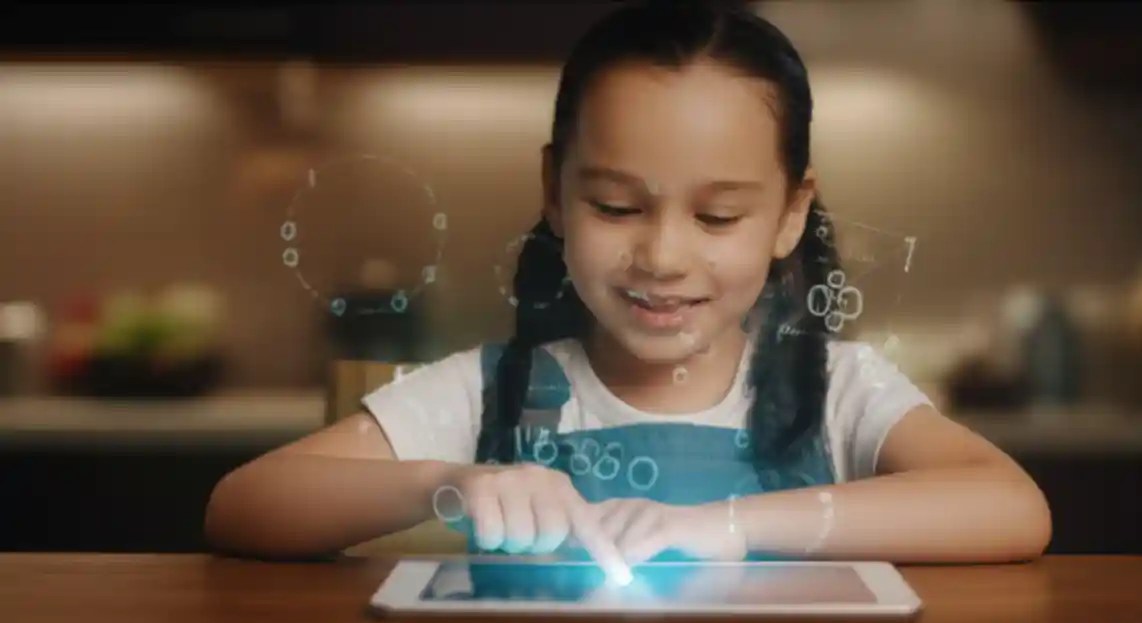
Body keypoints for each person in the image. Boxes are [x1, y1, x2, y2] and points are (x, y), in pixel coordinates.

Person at [204, 0, 1051, 582]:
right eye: (616, 206)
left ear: (791, 214)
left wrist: (728, 527)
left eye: (718, 217)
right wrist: (446, 484)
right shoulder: (497, 390)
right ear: (555, 191)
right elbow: (242, 506)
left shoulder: (837, 391)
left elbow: (1011, 507)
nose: (662, 255)